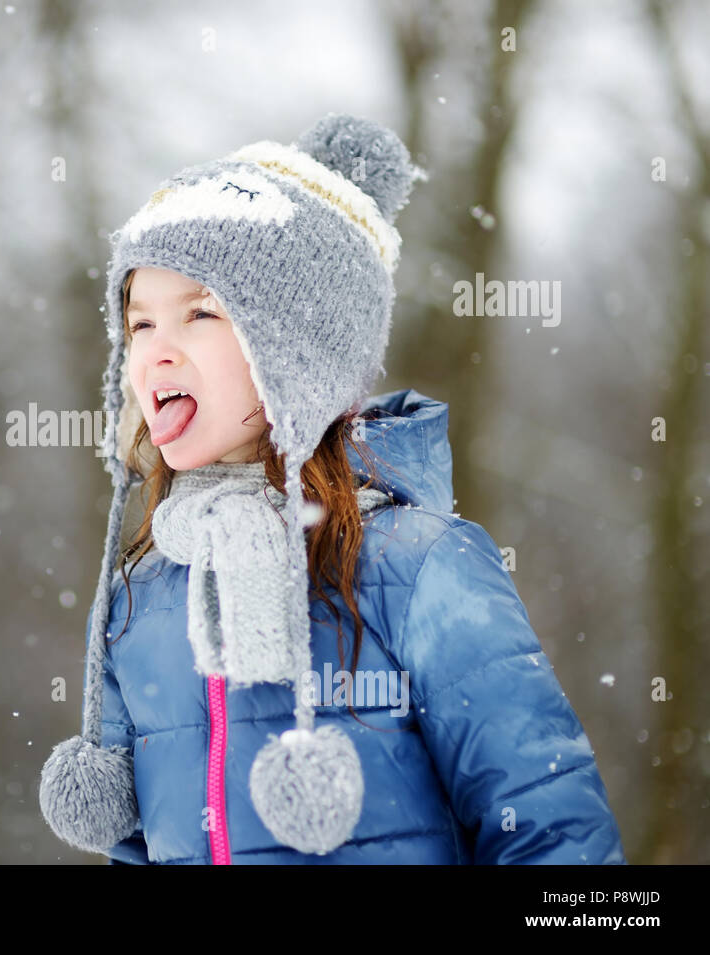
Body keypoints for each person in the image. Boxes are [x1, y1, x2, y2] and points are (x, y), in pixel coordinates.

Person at [38, 113, 626, 865]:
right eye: (141, 322)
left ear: (298, 351)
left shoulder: (418, 568)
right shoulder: (138, 598)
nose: (158, 351)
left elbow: (554, 835)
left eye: (200, 313)